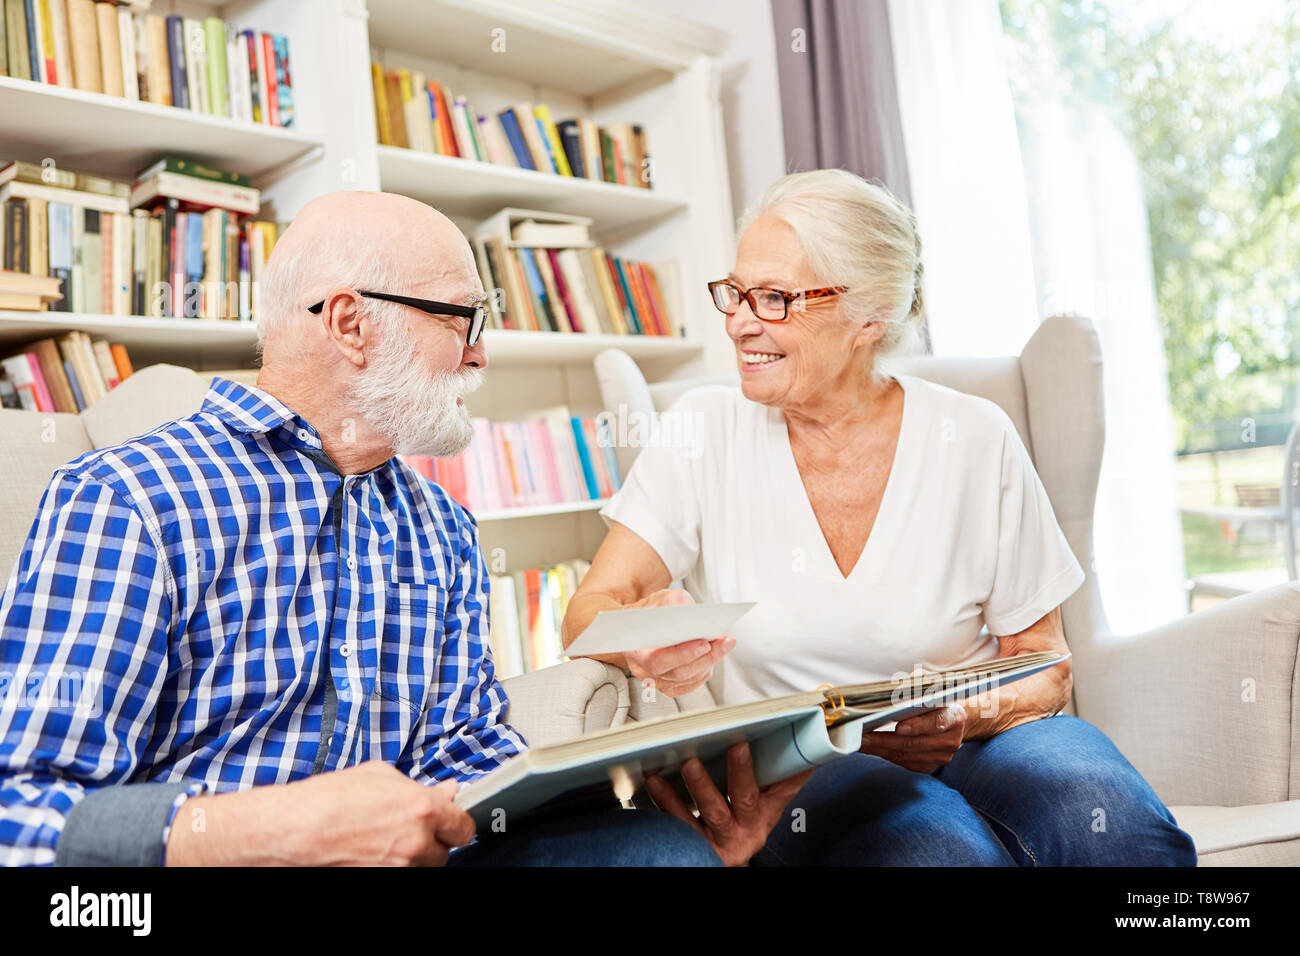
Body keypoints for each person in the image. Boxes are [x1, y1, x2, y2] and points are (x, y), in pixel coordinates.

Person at [0, 190, 721, 867]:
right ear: (349, 323)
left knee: (659, 851)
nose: (480, 354)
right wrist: (283, 830)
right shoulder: (128, 498)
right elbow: (20, 809)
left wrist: (576, 787)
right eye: (459, 319)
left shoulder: (443, 527)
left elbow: (460, 752)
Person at [562, 169, 1198, 866]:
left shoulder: (974, 436)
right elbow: (588, 611)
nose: (740, 321)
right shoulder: (703, 431)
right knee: (929, 851)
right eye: (738, 293)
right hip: (812, 763)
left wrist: (963, 717)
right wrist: (640, 639)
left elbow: (1045, 665)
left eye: (774, 299)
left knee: (1110, 825)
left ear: (871, 315)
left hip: (988, 736)